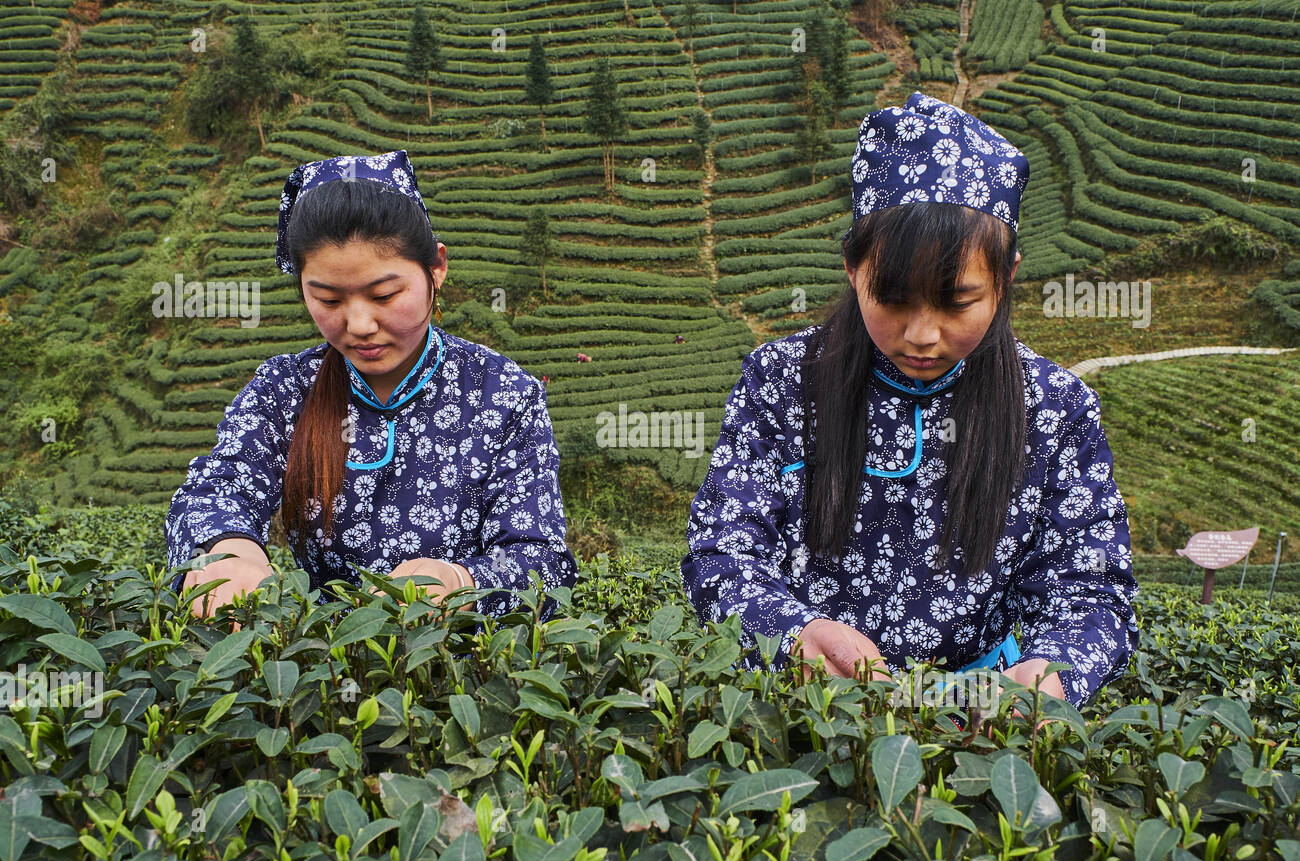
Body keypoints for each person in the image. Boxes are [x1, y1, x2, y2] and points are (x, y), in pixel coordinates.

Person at [680, 92, 1141, 710]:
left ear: (1005, 280)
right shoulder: (784, 383)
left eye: (956, 302)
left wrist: (1048, 678)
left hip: (983, 721)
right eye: (892, 298)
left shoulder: (1056, 412)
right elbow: (721, 551)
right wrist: (794, 633)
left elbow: (1093, 593)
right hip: (808, 708)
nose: (922, 334)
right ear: (851, 267)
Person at [165, 149, 578, 624]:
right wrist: (230, 552)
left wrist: (462, 582)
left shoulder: (502, 394)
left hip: (464, 672)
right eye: (328, 298)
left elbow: (542, 562)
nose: (358, 324)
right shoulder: (284, 389)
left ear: (436, 269)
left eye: (385, 295)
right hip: (314, 666)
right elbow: (211, 494)